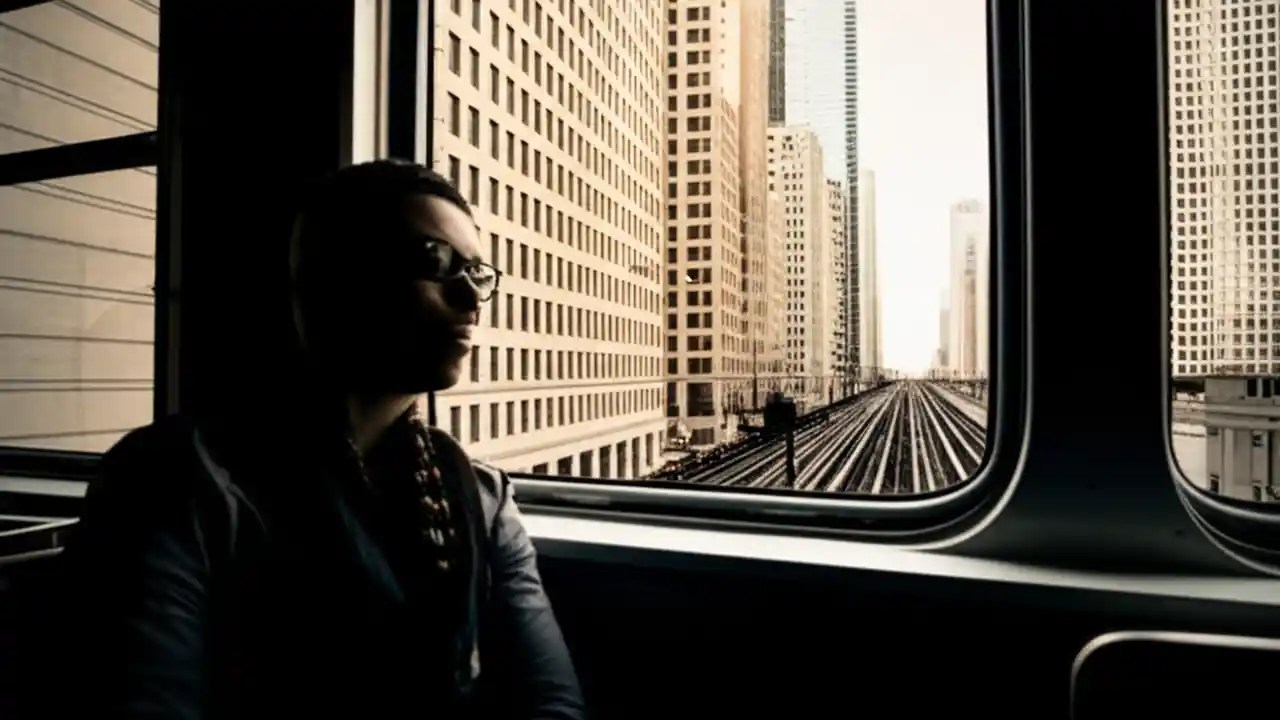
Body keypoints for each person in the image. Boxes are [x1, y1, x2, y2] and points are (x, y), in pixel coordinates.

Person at [59, 160, 586, 719]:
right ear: (335, 280)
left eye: (477, 273)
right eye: (436, 260)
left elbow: (550, 703)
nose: (470, 297)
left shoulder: (482, 498)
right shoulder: (174, 479)